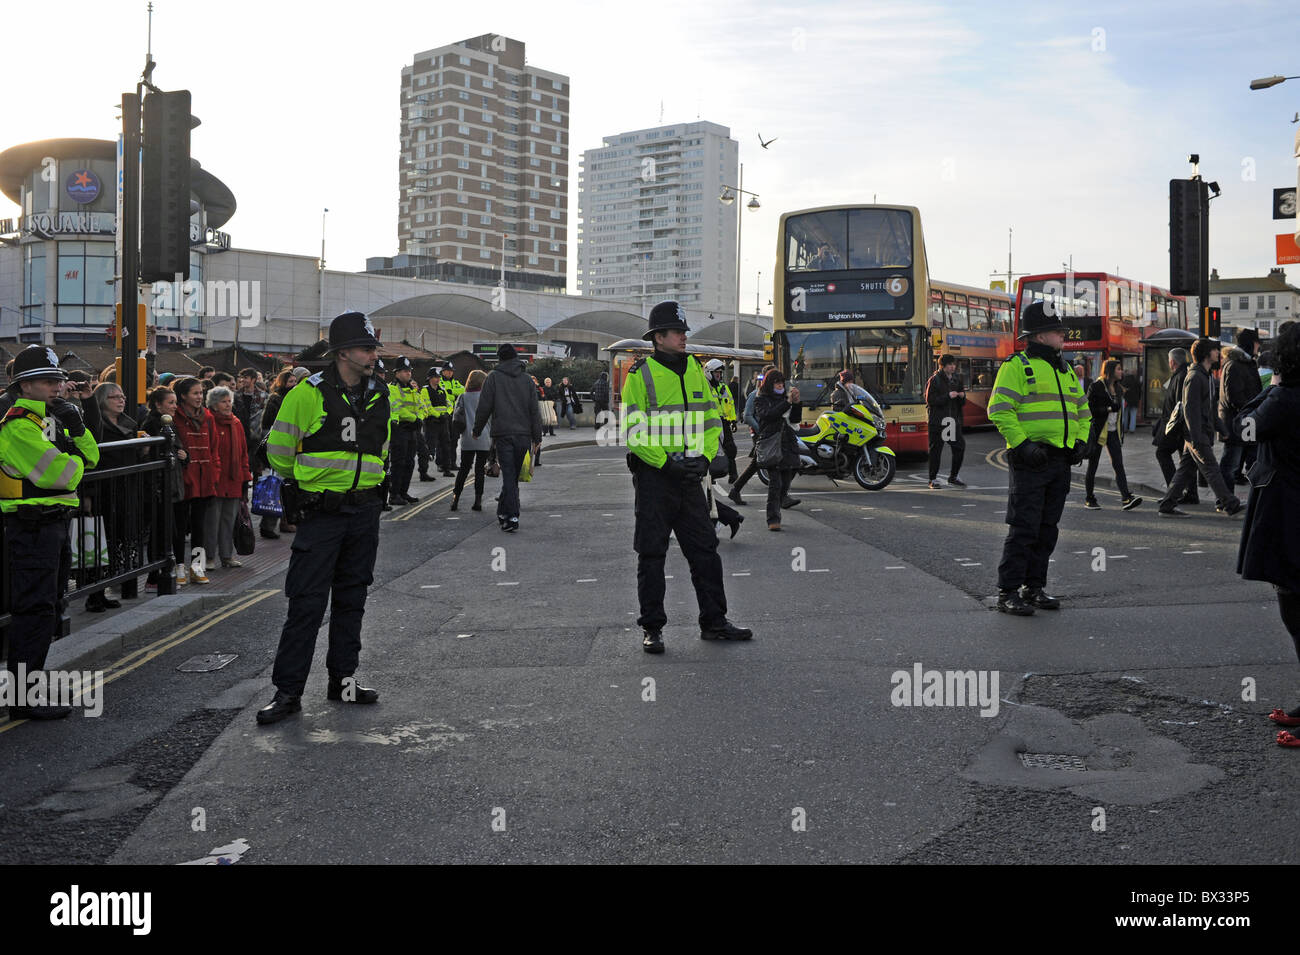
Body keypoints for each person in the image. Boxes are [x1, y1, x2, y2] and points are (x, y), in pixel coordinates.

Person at [257, 311, 391, 726]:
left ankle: (343, 681)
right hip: (322, 513)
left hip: (364, 510)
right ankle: (288, 692)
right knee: (307, 603)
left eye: (372, 348)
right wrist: (303, 484)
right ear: (344, 352)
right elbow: (277, 449)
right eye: (367, 348)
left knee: (353, 599)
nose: (372, 355)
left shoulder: (378, 392)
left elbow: (381, 448)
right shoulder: (307, 393)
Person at [620, 301, 752, 653]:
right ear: (658, 337)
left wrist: (706, 458)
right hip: (655, 478)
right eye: (677, 332)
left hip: (691, 476)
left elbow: (710, 420)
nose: (683, 337)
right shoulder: (640, 375)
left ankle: (714, 621)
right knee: (652, 554)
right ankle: (652, 628)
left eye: (683, 331)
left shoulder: (695, 370)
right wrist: (666, 464)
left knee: (705, 550)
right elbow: (635, 431)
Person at [0, 346, 99, 719]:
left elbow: (93, 456)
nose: (58, 386)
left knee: (47, 609)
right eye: (48, 381)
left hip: (52, 522)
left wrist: (76, 428)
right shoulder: (19, 425)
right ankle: (23, 700)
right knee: (34, 612)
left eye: (59, 379)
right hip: (33, 525)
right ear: (24, 385)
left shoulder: (48, 419)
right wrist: (73, 455)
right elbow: (65, 474)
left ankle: (28, 693)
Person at [987, 302, 1090, 615]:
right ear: (1041, 336)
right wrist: (1022, 446)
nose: (1063, 335)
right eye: (1058, 331)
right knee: (1024, 528)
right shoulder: (1017, 366)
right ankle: (1008, 592)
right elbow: (999, 409)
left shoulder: (1065, 369)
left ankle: (1034, 588)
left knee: (1048, 528)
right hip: (1031, 459)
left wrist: (1081, 441)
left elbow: (1082, 412)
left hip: (1058, 461)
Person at [1232, 324, 1300, 745]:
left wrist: (1270, 388)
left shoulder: (1286, 399)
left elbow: (1242, 428)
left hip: (1290, 512)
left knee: (1296, 613)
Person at [1157, 338, 1243, 517]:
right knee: (1211, 468)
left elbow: (1209, 409)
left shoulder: (1205, 375)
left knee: (1185, 470)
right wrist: (1196, 436)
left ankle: (1167, 505)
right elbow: (1190, 410)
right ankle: (1230, 503)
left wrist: (1222, 428)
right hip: (1197, 433)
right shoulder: (1195, 377)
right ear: (1206, 354)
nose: (1218, 353)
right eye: (1215, 350)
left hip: (1199, 432)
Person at [472, 343, 542, 532]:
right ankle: (505, 513)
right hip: (523, 436)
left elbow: (484, 406)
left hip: (503, 435)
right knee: (512, 477)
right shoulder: (528, 380)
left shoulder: (493, 378)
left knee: (509, 477)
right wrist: (537, 437)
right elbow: (534, 410)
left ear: (500, 359)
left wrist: (477, 430)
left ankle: (511, 516)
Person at [85, 382, 141, 610]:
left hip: (126, 492)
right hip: (102, 492)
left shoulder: (130, 423)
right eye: (114, 397)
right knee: (98, 543)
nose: (121, 400)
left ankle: (107, 587)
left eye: (123, 396)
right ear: (101, 401)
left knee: (117, 540)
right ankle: (93, 593)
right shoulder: (96, 425)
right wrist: (87, 495)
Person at [171, 376, 220, 585]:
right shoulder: (174, 418)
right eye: (195, 393)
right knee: (180, 526)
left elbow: (214, 448)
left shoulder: (208, 417)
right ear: (183, 396)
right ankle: (179, 567)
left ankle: (197, 566)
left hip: (204, 478)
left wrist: (214, 473)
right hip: (184, 478)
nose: (200, 397)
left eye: (201, 393)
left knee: (200, 526)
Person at [140, 385, 186, 593]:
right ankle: (154, 575)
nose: (175, 407)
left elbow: (177, 450)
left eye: (176, 402)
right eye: (171, 403)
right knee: (160, 532)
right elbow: (152, 455)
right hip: (159, 487)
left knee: (171, 531)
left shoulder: (170, 423)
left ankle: (164, 571)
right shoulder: (152, 423)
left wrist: (185, 455)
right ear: (158, 404)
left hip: (171, 486)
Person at [1082, 359, 1142, 510]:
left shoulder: (1118, 388)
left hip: (1113, 432)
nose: (1122, 372)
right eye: (1119, 369)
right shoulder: (1096, 386)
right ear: (1110, 371)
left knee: (1118, 464)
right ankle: (1089, 499)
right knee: (1093, 466)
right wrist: (1108, 409)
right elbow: (1089, 409)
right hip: (1098, 431)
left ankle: (1126, 498)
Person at [204, 386, 252, 570]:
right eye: (223, 401)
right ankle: (209, 557)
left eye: (229, 401)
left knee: (229, 519)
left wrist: (245, 475)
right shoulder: (208, 422)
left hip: (233, 479)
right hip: (215, 479)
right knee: (211, 522)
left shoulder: (236, 423)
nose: (228, 404)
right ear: (214, 405)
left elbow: (242, 452)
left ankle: (226, 556)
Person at [753, 369, 802, 531]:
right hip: (772, 443)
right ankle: (773, 518)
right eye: (777, 382)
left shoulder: (784, 397)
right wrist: (787, 402)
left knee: (787, 478)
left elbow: (795, 419)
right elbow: (768, 415)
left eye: (782, 382)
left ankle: (782, 499)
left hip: (787, 442)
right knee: (775, 483)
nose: (780, 385)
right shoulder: (761, 398)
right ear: (769, 383)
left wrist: (796, 403)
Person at [258, 368, 301, 538]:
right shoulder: (275, 399)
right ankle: (268, 526)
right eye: (291, 382)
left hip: (292, 450)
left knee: (288, 490)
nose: (294, 385)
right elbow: (268, 425)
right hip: (278, 451)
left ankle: (287, 520)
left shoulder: (296, 399)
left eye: (295, 382)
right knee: (274, 489)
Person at [1219, 328, 1263, 489]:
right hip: (1237, 422)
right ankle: (1225, 500)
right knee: (1230, 463)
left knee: (1251, 459)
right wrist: (1252, 410)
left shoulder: (1246, 363)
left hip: (1247, 421)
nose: (1259, 346)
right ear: (1251, 344)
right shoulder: (1235, 365)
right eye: (1257, 342)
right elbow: (1234, 396)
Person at [728, 363, 776, 506]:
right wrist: (760, 430)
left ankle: (735, 490)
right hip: (761, 435)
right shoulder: (755, 394)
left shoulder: (774, 395)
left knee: (757, 463)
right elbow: (747, 416)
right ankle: (781, 497)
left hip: (770, 434)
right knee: (770, 464)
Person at [450, 369, 491, 511]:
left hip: (467, 438)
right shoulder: (487, 397)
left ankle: (455, 500)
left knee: (464, 469)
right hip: (484, 438)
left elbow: (456, 417)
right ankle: (478, 501)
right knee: (479, 471)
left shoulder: (462, 396)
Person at [1152, 348, 1191, 496]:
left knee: (1162, 453)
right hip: (1180, 426)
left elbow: (1178, 405)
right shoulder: (1182, 374)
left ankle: (1175, 490)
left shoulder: (1180, 376)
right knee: (1186, 460)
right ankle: (1190, 493)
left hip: (1175, 426)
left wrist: (1174, 428)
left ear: (1172, 362)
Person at [924, 354, 967, 489]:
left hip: (952, 420)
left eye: (954, 364)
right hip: (938, 421)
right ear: (942, 366)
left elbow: (962, 402)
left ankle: (953, 476)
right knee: (936, 450)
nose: (953, 367)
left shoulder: (956, 379)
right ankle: (933, 479)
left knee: (959, 446)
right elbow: (930, 400)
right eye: (950, 365)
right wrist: (947, 396)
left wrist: (962, 396)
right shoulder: (935, 380)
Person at [385, 356, 420, 505]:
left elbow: (420, 406)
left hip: (412, 430)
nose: (408, 374)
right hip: (400, 429)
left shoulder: (412, 389)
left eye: (409, 371)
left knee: (410, 462)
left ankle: (403, 492)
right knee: (398, 462)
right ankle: (394, 495)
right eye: (405, 371)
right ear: (397, 373)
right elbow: (396, 408)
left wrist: (419, 418)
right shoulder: (392, 388)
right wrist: (414, 419)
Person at [703, 358, 739, 483]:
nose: (719, 375)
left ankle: (733, 474)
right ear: (709, 372)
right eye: (716, 372)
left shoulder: (724, 387)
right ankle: (710, 474)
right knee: (711, 450)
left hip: (723, 422)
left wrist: (733, 420)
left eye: (720, 372)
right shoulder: (704, 387)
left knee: (730, 448)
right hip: (709, 423)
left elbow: (730, 404)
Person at [232, 367, 266, 447]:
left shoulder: (263, 396)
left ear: (253, 380)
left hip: (256, 436)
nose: (242, 380)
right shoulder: (236, 395)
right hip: (239, 433)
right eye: (242, 378)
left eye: (246, 378)